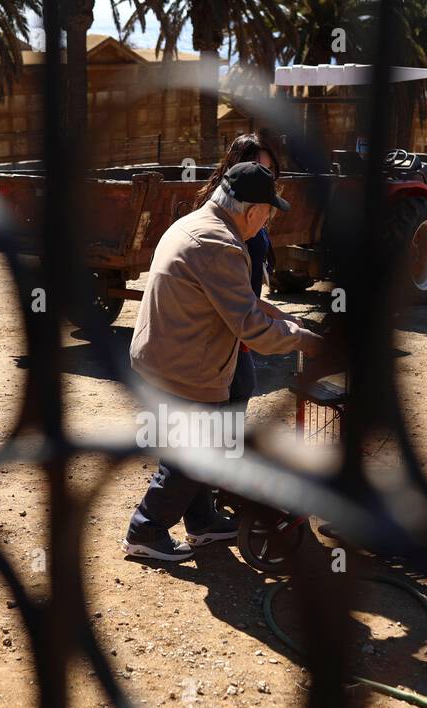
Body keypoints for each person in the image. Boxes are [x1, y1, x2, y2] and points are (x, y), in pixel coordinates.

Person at [124, 162, 324, 562]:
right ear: (251, 211)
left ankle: (202, 523)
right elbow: (251, 329)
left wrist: (281, 315)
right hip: (185, 367)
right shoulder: (220, 245)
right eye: (267, 213)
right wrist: (307, 342)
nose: (266, 223)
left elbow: (237, 302)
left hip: (164, 356)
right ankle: (145, 530)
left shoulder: (198, 224)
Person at [193, 133, 281, 408]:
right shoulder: (228, 225)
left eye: (270, 171)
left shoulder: (251, 210)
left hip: (240, 311)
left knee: (241, 386)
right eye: (258, 168)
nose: (265, 177)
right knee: (239, 387)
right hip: (226, 321)